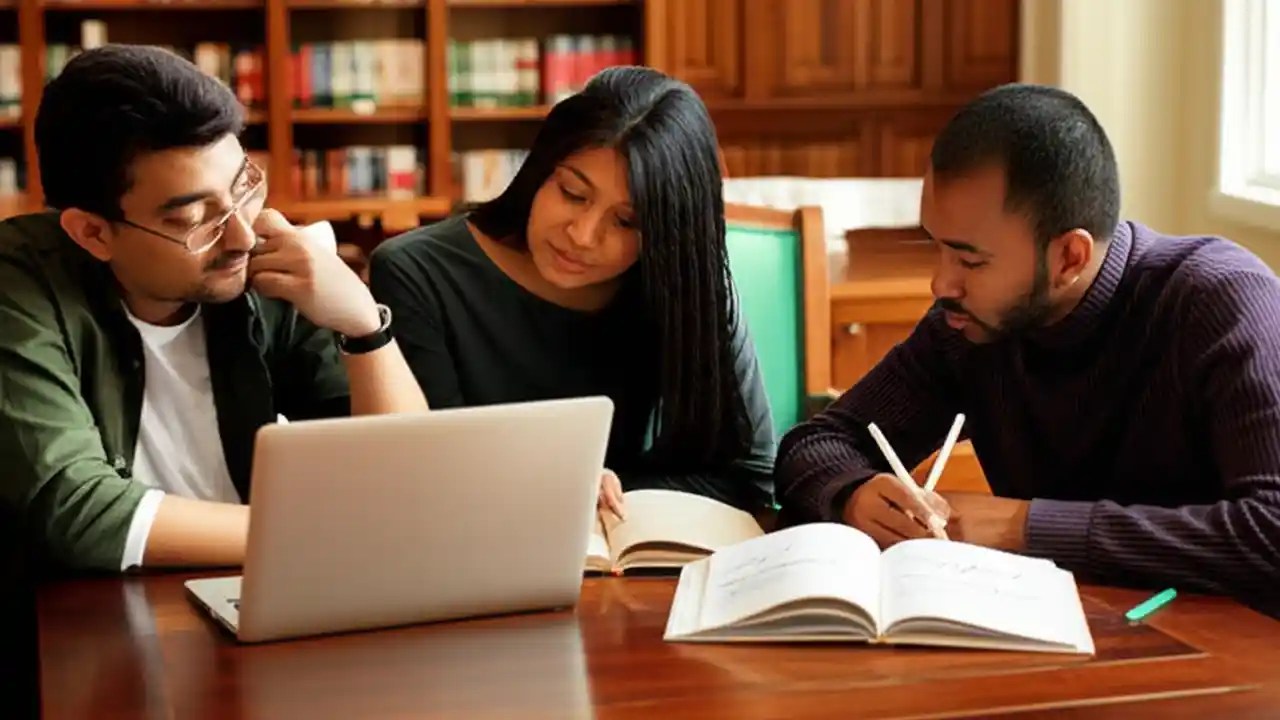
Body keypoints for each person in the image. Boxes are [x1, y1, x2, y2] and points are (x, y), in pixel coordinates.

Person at [774, 83, 1280, 617]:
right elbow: (818, 440)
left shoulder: (1220, 301)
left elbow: (1271, 531)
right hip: (1056, 633)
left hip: (1221, 658)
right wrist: (854, 493)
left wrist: (1024, 525)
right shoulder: (967, 328)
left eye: (970, 261)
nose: (940, 283)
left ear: (1069, 257)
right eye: (937, 247)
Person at [0, 44, 428, 576]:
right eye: (195, 218)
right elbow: (76, 511)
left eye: (243, 187)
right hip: (94, 616)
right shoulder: (17, 285)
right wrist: (318, 535)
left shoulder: (271, 267)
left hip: (260, 583)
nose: (242, 236)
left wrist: (363, 325)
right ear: (92, 232)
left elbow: (409, 489)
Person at [369, 66, 775, 517]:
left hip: (636, 563)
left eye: (626, 222)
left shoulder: (685, 287)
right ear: (540, 170)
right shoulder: (417, 273)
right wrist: (558, 483)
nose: (582, 235)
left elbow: (751, 477)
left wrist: (617, 491)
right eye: (572, 193)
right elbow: (431, 475)